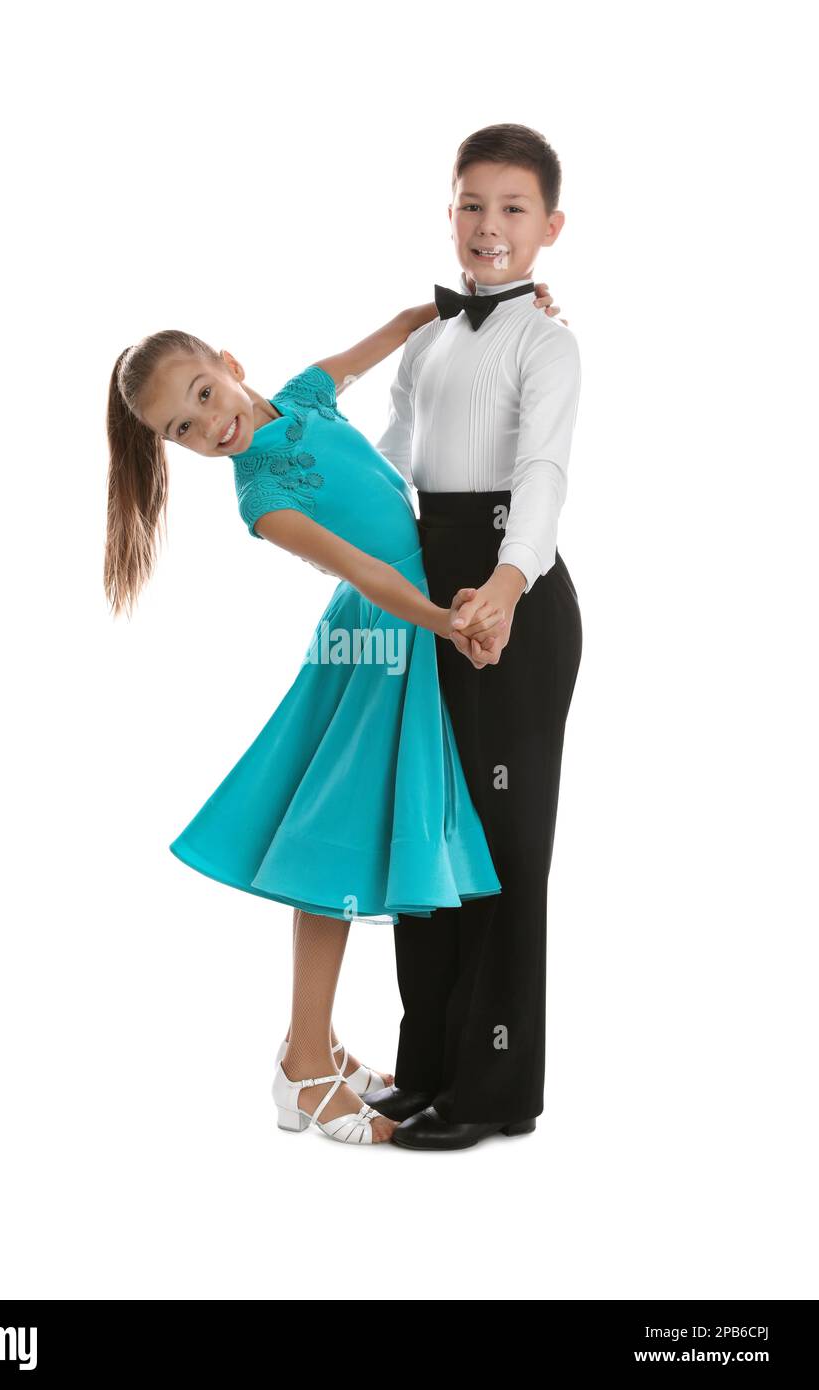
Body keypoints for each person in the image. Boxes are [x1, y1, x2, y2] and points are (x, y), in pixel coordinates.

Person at [102, 289, 561, 1146]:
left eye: (203, 396)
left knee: (363, 828)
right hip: (382, 639)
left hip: (406, 630)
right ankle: (305, 1063)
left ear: (230, 366)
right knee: (340, 836)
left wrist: (501, 310)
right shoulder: (261, 497)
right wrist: (450, 625)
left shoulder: (306, 395)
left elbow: (389, 333)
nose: (209, 428)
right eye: (183, 432)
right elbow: (374, 574)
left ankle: (311, 1048)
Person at [363, 123, 584, 1151]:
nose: (489, 226)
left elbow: (541, 472)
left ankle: (494, 1088)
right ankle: (428, 1070)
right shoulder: (427, 339)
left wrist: (501, 585)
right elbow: (386, 464)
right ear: (448, 210)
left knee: (500, 849)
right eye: (471, 204)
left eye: (512, 208)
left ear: (549, 227)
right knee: (425, 832)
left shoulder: (549, 340)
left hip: (512, 594)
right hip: (422, 593)